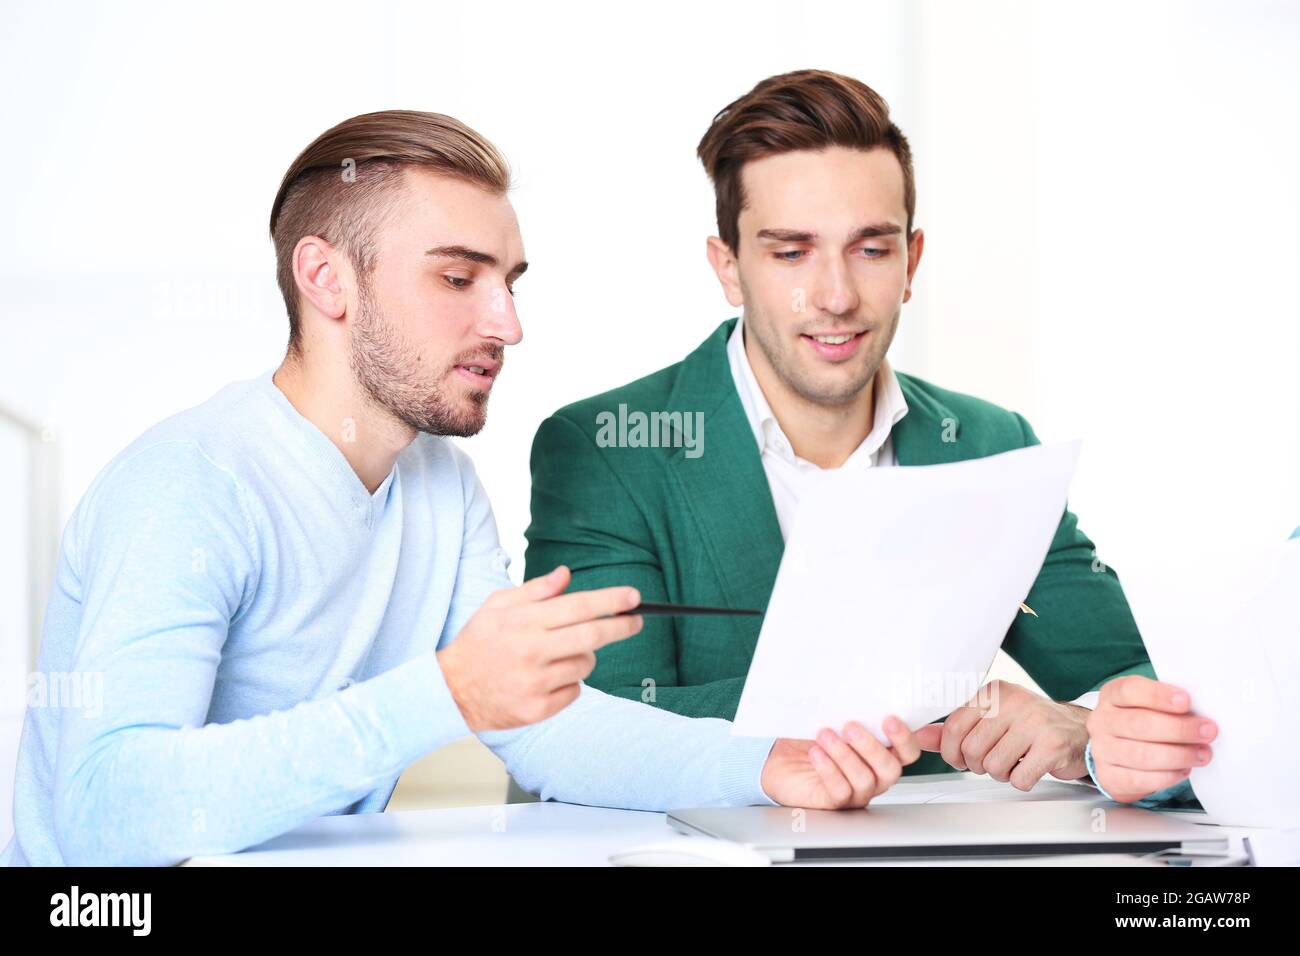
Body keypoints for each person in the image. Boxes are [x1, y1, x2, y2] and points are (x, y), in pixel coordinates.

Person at [2, 109, 923, 867]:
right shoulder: (187, 487)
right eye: (458, 278)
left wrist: (770, 767)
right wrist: (444, 691)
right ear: (325, 278)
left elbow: (546, 732)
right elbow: (104, 814)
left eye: (510, 282)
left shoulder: (441, 485)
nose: (508, 324)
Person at [525, 70, 1154, 792]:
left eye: (871, 249)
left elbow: (1148, 684)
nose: (836, 296)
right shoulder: (607, 447)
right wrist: (919, 711)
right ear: (729, 268)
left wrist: (1089, 732)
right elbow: (586, 722)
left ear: (912, 262)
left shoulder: (990, 443)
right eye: (791, 252)